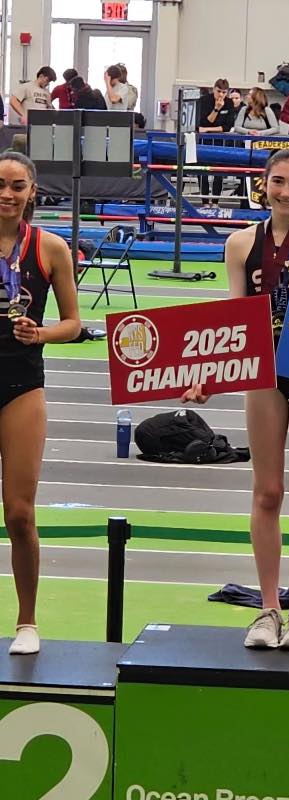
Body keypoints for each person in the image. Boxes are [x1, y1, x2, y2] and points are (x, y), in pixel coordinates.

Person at [182, 150, 289, 650]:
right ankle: (268, 608)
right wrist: (210, 373)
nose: (286, 191)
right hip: (263, 372)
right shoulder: (239, 243)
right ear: (263, 184)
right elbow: (235, 317)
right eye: (278, 181)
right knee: (267, 492)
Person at [0, 151, 80, 654]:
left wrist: (41, 332)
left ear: (32, 191)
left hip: (22, 385)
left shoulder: (50, 247)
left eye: (16, 186)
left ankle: (27, 621)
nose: (6, 194)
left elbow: (73, 323)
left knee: (19, 513)